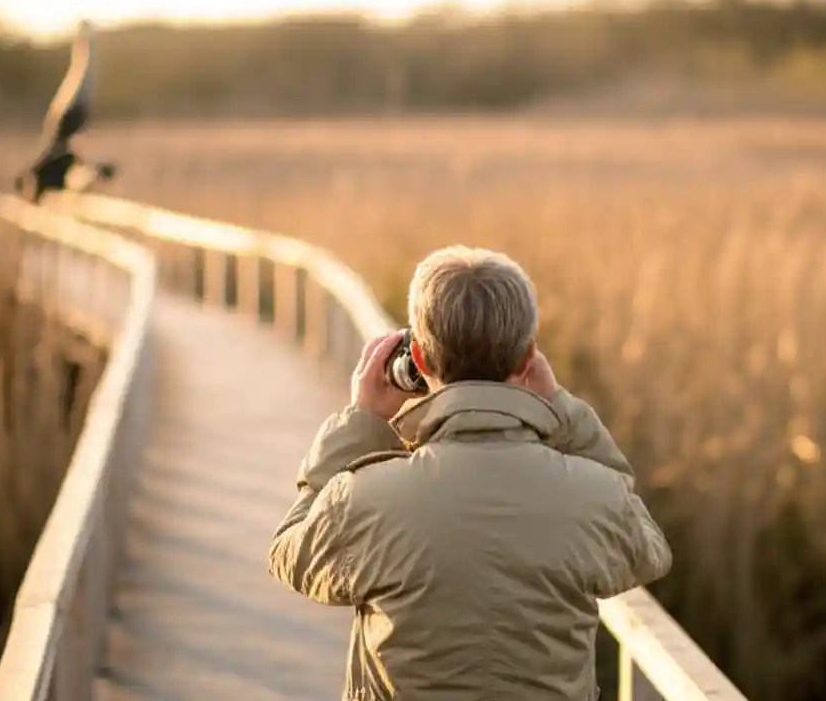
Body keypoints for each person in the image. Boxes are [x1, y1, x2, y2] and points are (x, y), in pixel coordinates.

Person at [268, 246, 672, 700]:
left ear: (417, 359)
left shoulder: (365, 498)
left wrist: (362, 421)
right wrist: (559, 408)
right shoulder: (591, 495)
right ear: (526, 360)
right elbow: (643, 544)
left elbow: (291, 552)